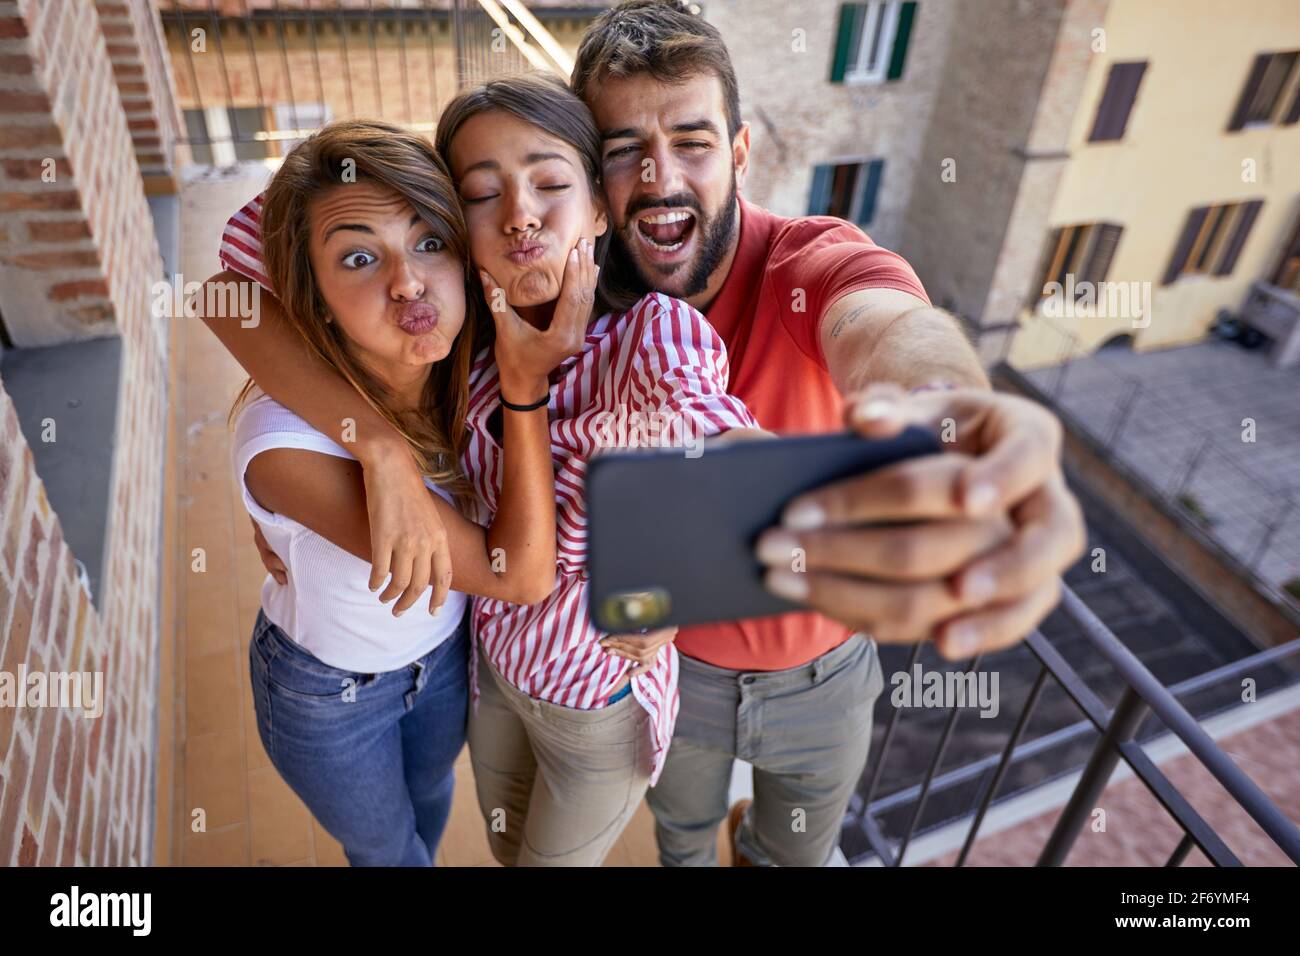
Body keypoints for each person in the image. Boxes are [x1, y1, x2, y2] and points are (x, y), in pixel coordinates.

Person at [562, 0, 1086, 868]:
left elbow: (884, 327)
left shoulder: (805, 261)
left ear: (738, 154)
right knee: (681, 843)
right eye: (624, 151)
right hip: (669, 673)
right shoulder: (580, 305)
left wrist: (948, 412)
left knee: (793, 859)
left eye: (692, 142)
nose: (660, 178)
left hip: (825, 679)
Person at [204, 75, 764, 866]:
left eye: (551, 183)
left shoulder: (615, 336)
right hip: (420, 680)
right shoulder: (443, 339)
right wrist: (378, 444)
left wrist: (712, 563)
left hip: (534, 682)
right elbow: (221, 291)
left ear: (599, 207)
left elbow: (710, 424)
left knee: (471, 825)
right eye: (481, 194)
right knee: (405, 847)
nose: (520, 216)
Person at [227, 120, 581, 866]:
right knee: (387, 852)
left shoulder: (465, 362)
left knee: (430, 802)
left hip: (445, 656)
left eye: (429, 242)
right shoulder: (285, 447)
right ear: (312, 295)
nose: (408, 282)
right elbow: (519, 576)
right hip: (329, 697)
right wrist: (385, 449)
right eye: (359, 258)